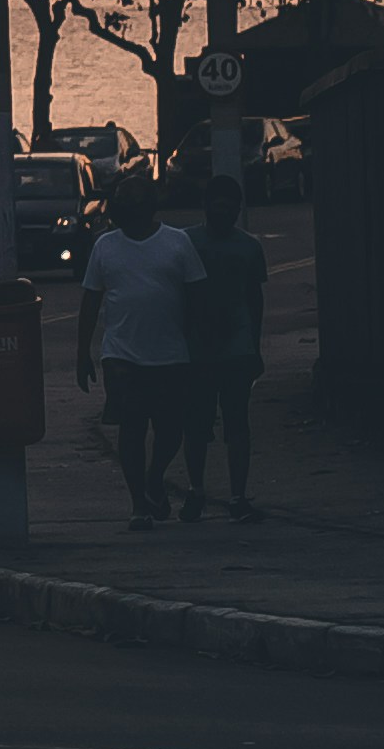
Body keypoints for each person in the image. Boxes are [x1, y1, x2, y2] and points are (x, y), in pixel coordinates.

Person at [73, 169, 209, 530]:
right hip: (122, 354)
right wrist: (82, 351)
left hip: (171, 353)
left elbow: (197, 299)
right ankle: (138, 504)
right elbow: (90, 300)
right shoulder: (105, 246)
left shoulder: (178, 243)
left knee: (170, 429)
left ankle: (154, 478)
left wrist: (199, 349)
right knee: (131, 428)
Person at [188, 168, 270, 523]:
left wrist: (255, 346)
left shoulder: (247, 248)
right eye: (218, 206)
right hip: (201, 348)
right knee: (200, 424)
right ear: (206, 207)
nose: (223, 213)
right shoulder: (188, 243)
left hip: (232, 347)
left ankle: (229, 494)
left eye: (228, 207)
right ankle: (199, 491)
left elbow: (255, 300)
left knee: (233, 423)